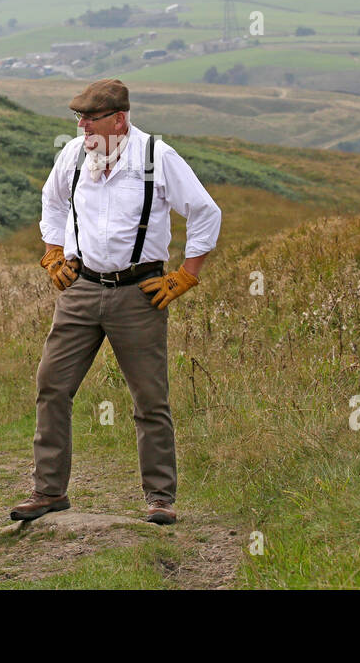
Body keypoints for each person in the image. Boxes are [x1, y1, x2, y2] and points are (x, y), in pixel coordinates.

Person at [13, 79, 222, 526]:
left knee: (150, 398)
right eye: (79, 119)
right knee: (52, 385)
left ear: (120, 120)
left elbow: (206, 211)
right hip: (81, 288)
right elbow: (52, 202)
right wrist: (53, 253)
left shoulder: (156, 157)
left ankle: (160, 498)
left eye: (91, 119)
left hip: (139, 292)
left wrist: (187, 275)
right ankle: (48, 492)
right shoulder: (73, 154)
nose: (82, 126)